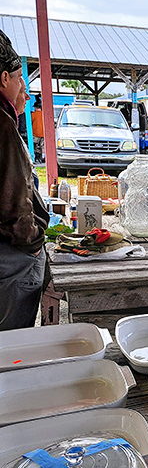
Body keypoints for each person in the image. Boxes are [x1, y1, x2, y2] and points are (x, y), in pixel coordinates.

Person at [0, 30, 49, 331]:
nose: (25, 92)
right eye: (20, 80)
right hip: (11, 255)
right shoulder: (3, 125)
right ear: (4, 78)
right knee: (13, 344)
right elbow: (15, 202)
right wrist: (32, 244)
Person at [31, 94, 44, 163]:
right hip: (43, 134)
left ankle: (36, 159)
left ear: (35, 107)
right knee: (42, 147)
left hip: (35, 134)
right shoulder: (44, 114)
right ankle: (42, 158)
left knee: (35, 147)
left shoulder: (33, 115)